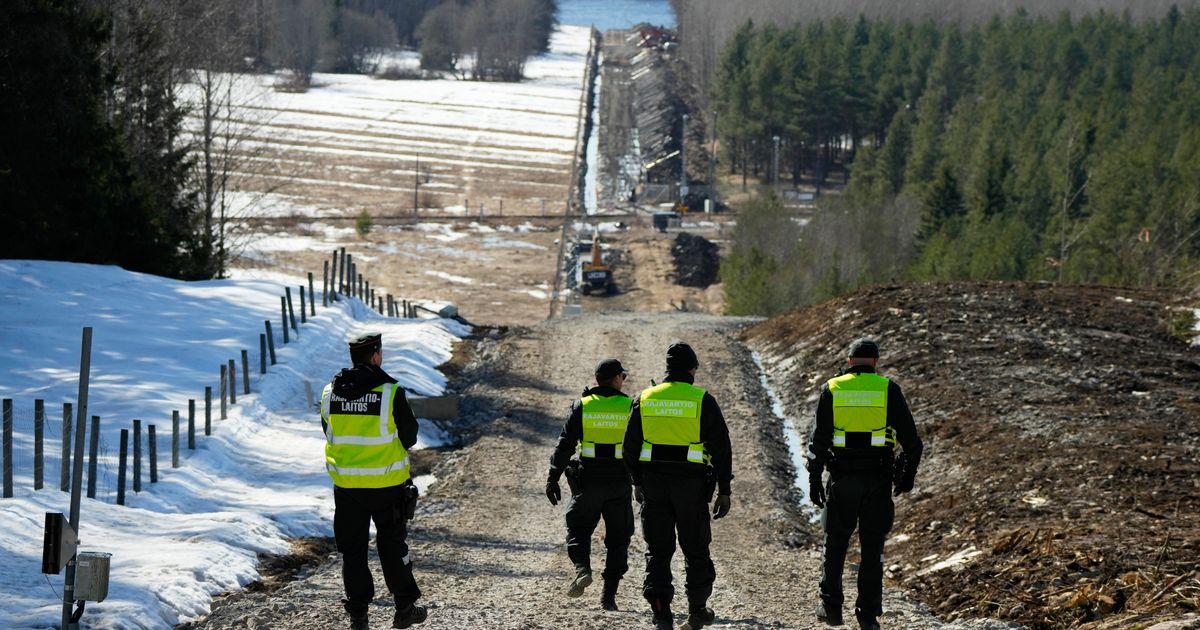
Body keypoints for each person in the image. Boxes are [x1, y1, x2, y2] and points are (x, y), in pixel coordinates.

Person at [807, 338, 923, 630]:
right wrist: (907, 477)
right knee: (873, 548)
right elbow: (913, 442)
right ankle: (868, 615)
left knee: (835, 543)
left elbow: (818, 441)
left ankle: (831, 608)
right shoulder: (888, 389)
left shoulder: (832, 388)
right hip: (878, 480)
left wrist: (814, 478)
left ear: (849, 361)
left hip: (842, 478)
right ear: (875, 362)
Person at [623, 342, 733, 630]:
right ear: (692, 369)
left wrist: (637, 481)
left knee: (658, 551)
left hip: (654, 485)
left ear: (667, 370)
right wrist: (724, 490)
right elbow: (722, 448)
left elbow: (629, 448)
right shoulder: (702, 400)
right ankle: (697, 610)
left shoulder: (644, 398)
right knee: (696, 550)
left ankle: (661, 614)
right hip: (692, 488)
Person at [321, 332, 427, 630]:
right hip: (387, 485)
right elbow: (410, 436)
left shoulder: (330, 392)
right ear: (376, 355)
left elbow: (328, 431)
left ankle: (359, 617)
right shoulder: (391, 392)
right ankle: (405, 607)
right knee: (392, 546)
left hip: (347, 488)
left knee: (352, 552)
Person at [545, 358, 636, 610]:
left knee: (579, 529)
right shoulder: (631, 406)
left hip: (588, 480)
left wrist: (553, 478)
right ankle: (609, 597)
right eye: (623, 377)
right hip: (619, 482)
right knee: (619, 540)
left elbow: (564, 446)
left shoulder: (582, 406)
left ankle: (582, 569)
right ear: (616, 379)